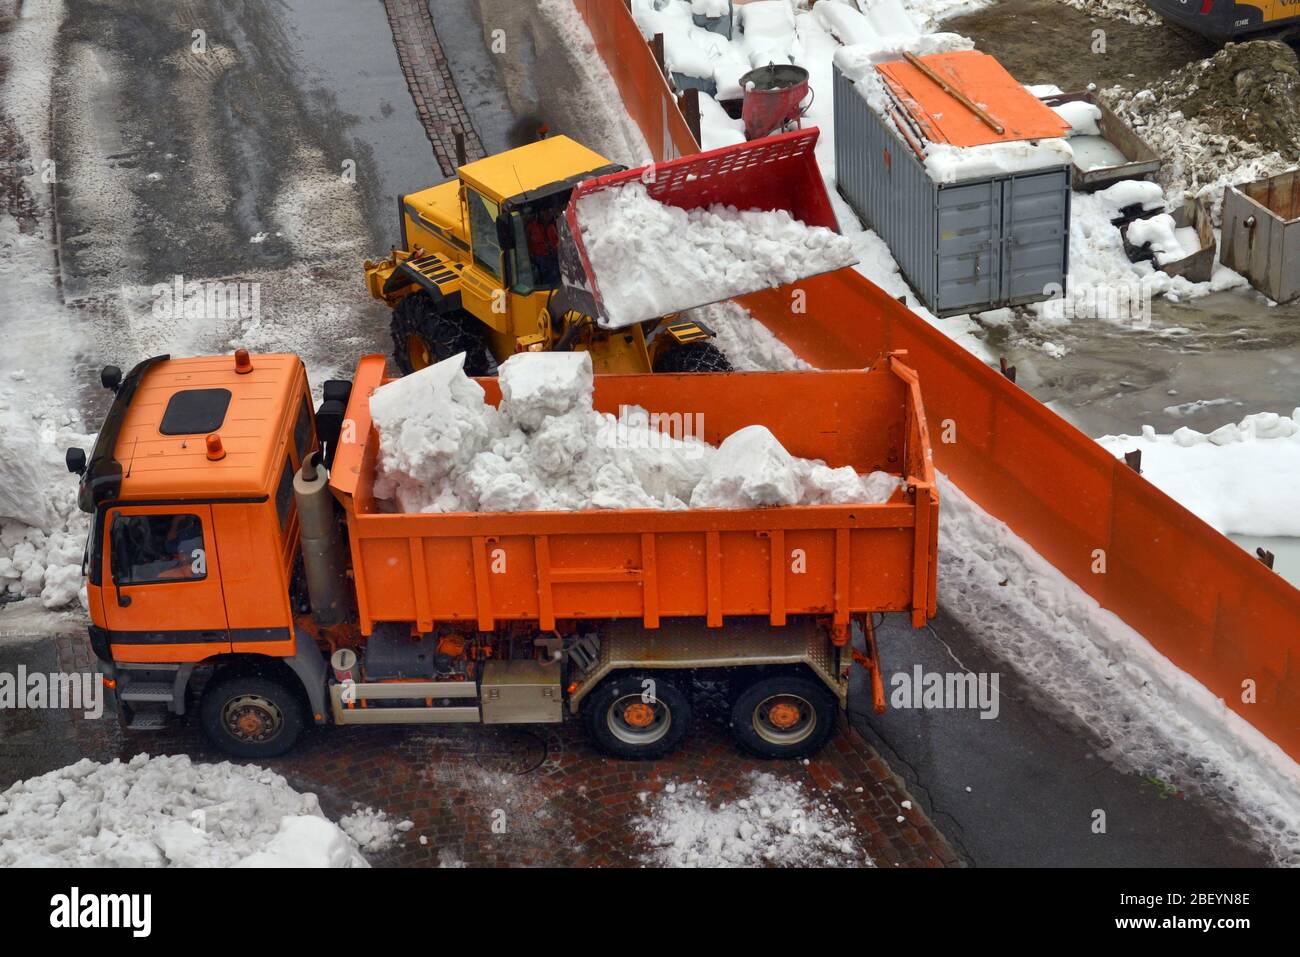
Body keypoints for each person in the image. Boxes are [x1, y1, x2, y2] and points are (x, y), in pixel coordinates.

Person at [525, 207, 561, 286]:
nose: (547, 213)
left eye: (549, 210)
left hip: (556, 258)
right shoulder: (531, 226)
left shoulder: (558, 223)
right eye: (544, 210)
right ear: (539, 213)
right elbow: (525, 245)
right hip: (539, 260)